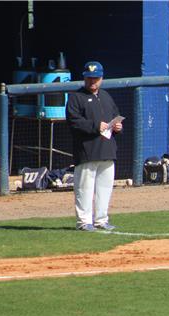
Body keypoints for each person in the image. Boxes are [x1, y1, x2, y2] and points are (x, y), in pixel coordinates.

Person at [66, 61, 122, 231]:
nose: (92, 81)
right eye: (89, 78)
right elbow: (74, 122)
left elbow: (115, 115)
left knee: (104, 188)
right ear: (84, 78)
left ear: (101, 78)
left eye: (96, 78)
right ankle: (84, 222)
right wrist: (95, 126)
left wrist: (118, 127)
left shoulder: (105, 96)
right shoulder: (76, 97)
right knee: (84, 188)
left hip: (107, 149)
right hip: (87, 150)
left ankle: (101, 220)